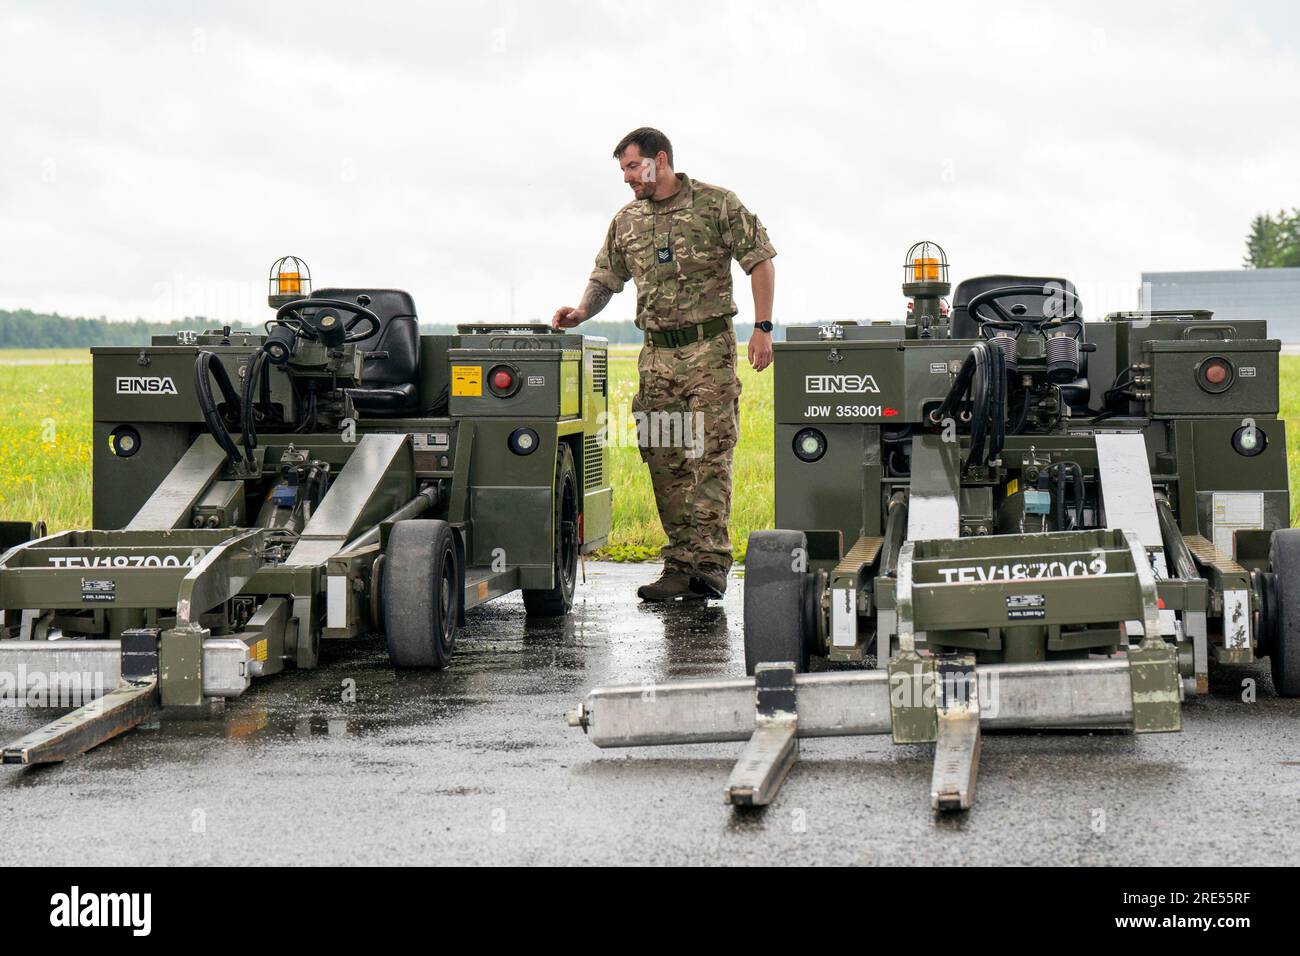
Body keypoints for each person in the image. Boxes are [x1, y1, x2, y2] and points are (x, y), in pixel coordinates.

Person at [553, 127, 776, 601]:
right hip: (656, 356)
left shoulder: (718, 204)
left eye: (633, 167)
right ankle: (679, 564)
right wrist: (579, 312)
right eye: (624, 170)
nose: (628, 178)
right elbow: (606, 278)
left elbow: (759, 261)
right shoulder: (627, 220)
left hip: (709, 351)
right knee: (664, 458)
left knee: (708, 457)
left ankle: (711, 565)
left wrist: (763, 327)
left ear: (660, 159)